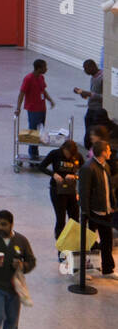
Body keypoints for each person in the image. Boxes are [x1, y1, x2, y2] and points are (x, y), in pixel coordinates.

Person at [78, 140, 116, 275]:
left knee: (107, 242)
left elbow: (109, 188)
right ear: (104, 153)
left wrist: (112, 205)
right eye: (109, 150)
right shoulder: (88, 168)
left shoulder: (106, 166)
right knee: (88, 243)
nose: (111, 152)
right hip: (92, 213)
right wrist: (85, 213)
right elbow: (84, 192)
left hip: (105, 212)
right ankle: (84, 271)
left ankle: (108, 269)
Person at [40, 139, 83, 238]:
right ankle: (60, 241)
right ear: (63, 149)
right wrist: (54, 174)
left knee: (75, 217)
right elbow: (41, 167)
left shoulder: (77, 156)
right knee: (61, 218)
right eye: (67, 153)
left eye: (71, 155)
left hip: (71, 190)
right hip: (57, 190)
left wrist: (75, 177)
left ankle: (74, 239)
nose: (68, 156)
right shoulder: (55, 154)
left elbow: (84, 172)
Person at [15, 59, 55, 161]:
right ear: (38, 68)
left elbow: (43, 91)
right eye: (44, 67)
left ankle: (35, 153)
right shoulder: (28, 79)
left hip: (42, 108)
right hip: (33, 109)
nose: (46, 69)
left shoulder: (41, 77)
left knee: (40, 131)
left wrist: (50, 100)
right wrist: (18, 108)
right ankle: (32, 154)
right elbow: (22, 93)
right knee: (33, 132)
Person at [73, 59, 105, 132]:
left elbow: (104, 97)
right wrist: (82, 93)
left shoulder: (102, 78)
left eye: (86, 68)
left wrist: (89, 94)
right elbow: (94, 92)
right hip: (91, 108)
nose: (85, 71)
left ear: (92, 67)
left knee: (94, 131)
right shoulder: (93, 77)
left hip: (98, 109)